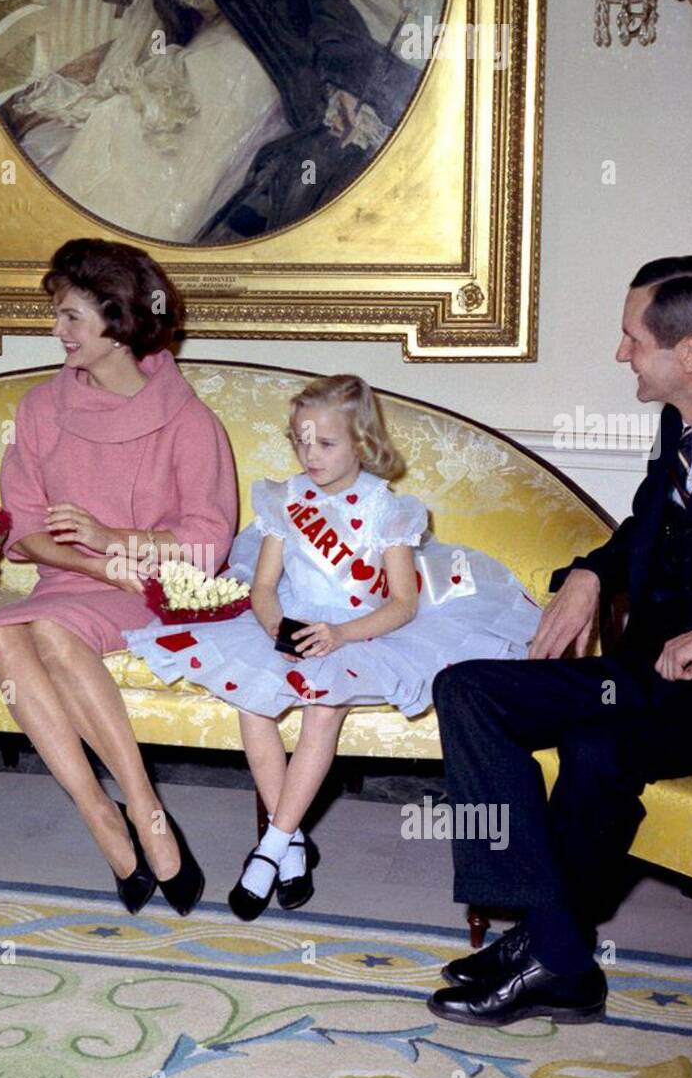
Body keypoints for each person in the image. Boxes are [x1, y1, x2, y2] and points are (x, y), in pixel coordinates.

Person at [429, 257, 692, 1027]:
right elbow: (646, 528)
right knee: (467, 689)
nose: (621, 355)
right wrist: (589, 573)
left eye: (631, 338)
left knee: (596, 750)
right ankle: (555, 943)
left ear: (688, 354)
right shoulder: (675, 424)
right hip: (645, 673)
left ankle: (548, 951)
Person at [125, 373, 541, 919]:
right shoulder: (286, 500)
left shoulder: (389, 511)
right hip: (293, 619)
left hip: (363, 628)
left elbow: (402, 605)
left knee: (324, 706)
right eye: (300, 440)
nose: (309, 454)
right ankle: (293, 846)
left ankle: (269, 848)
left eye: (325, 443)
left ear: (362, 444)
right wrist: (281, 631)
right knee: (252, 701)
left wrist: (340, 636)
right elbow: (265, 586)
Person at [0, 237, 237, 915]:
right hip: (74, 584)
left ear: (118, 322)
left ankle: (145, 807)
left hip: (158, 588)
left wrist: (119, 544)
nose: (55, 331)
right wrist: (97, 563)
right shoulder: (39, 409)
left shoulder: (188, 421)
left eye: (70, 317)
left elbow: (209, 544)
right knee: (3, 636)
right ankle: (99, 810)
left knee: (55, 636)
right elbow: (27, 529)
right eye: (56, 315)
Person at [0, 0, 422, 242]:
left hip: (278, 50)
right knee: (117, 121)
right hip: (210, 42)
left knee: (180, 133)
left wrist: (346, 77)